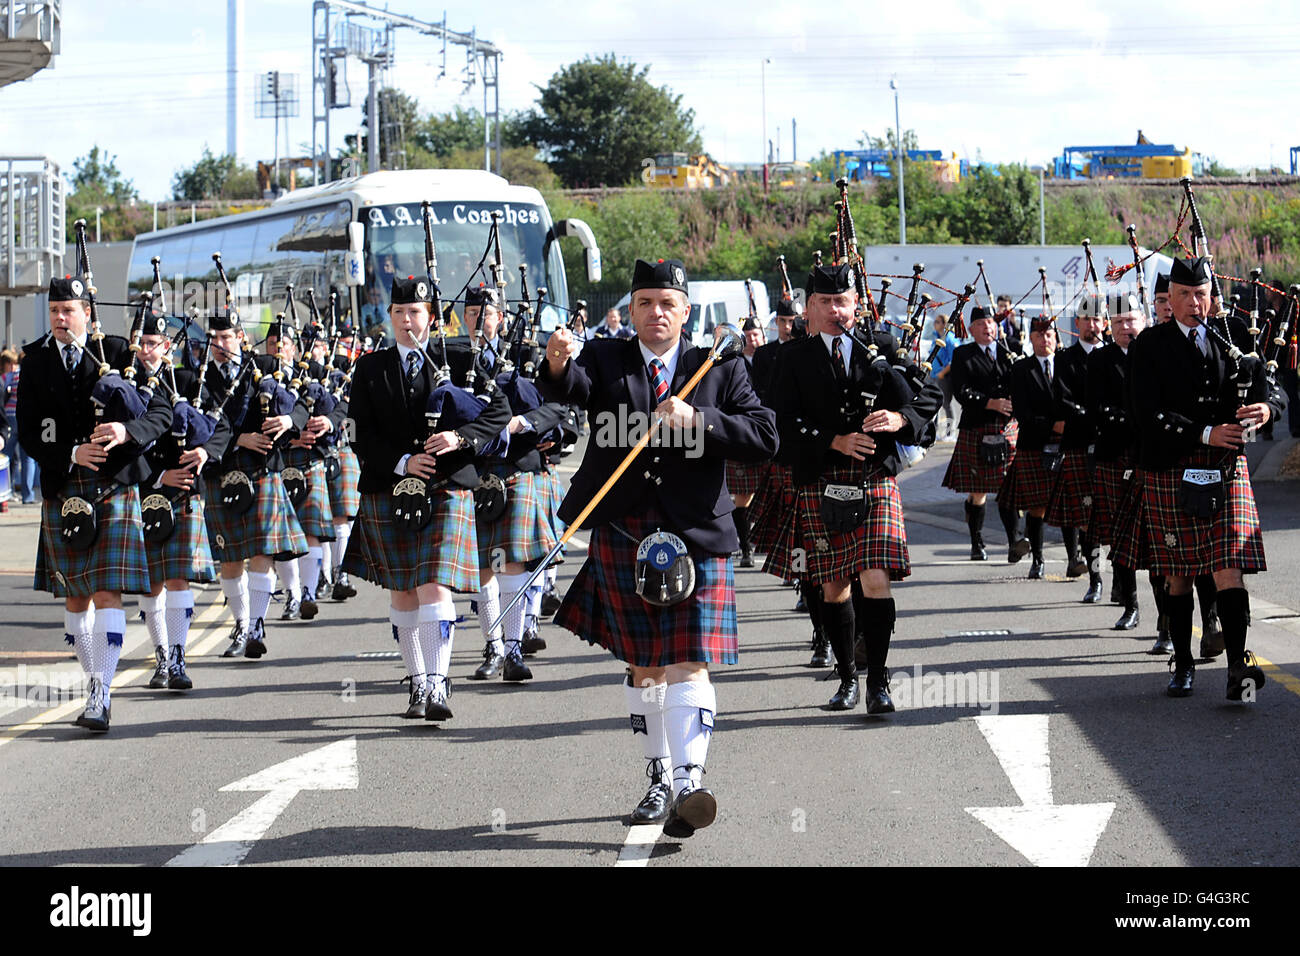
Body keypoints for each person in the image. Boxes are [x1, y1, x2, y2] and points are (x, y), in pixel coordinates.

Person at [537, 257, 777, 839]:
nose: (655, 313)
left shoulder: (717, 365)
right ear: (633, 310)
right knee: (644, 665)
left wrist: (700, 418)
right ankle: (659, 777)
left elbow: (764, 435)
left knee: (689, 657)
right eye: (645, 303)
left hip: (694, 530)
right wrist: (556, 362)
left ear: (686, 312)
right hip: (624, 527)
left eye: (667, 303)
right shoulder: (607, 358)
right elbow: (574, 390)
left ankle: (690, 783)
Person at [341, 276, 511, 720]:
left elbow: (499, 411)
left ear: (431, 317)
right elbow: (360, 434)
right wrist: (402, 462)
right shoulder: (370, 368)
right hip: (392, 486)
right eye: (398, 313)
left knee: (433, 584)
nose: (406, 321)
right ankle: (417, 684)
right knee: (402, 591)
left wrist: (459, 437)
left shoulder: (458, 358)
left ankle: (437, 686)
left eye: (414, 313)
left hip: (447, 486)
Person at [1126, 256, 1285, 700]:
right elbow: (1145, 412)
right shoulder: (1150, 346)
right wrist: (1204, 431)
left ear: (1211, 297)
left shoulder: (1232, 339)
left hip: (1224, 469)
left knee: (1228, 568)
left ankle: (1237, 666)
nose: (1194, 303)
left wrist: (1266, 408)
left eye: (1201, 294)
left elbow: (1271, 387)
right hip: (1171, 466)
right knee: (1178, 573)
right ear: (1169, 300)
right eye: (1184, 295)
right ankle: (1183, 661)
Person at [18, 276, 172, 732]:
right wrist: (68, 453)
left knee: (107, 592)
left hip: (114, 484)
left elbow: (162, 412)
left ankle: (101, 691)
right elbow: (29, 430)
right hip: (64, 487)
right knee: (75, 596)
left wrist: (128, 431)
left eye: (68, 310)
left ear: (87, 311)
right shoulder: (36, 359)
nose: (60, 319)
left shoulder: (121, 353)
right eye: (54, 311)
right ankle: (93, 679)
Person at [770, 263, 922, 713]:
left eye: (843, 302)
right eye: (825, 302)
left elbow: (924, 396)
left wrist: (900, 419)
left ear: (856, 305)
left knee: (875, 578)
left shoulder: (882, 345)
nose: (836, 310)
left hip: (875, 478)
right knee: (834, 586)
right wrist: (831, 440)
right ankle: (846, 677)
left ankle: (878, 680)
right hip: (823, 479)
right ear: (810, 309)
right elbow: (778, 423)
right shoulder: (792, 357)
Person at [461, 285, 567, 683]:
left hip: (516, 468)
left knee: (514, 564)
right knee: (485, 566)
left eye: (485, 313)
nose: (477, 319)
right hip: (473, 471)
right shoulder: (451, 357)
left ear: (500, 318)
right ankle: (492, 647)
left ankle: (513, 649)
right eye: (471, 312)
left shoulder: (525, 356)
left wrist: (520, 423)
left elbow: (558, 406)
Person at [203, 303, 311, 662]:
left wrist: (287, 422)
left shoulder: (264, 368)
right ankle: (240, 623)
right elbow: (199, 428)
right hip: (223, 473)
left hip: (262, 471)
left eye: (226, 337)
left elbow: (301, 406)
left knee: (262, 552)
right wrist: (239, 439)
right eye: (214, 338)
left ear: (240, 338)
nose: (220, 344)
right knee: (231, 559)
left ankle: (256, 626)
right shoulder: (200, 377)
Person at [134, 314, 232, 691]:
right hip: (143, 491)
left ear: (167, 347)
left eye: (154, 343)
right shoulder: (127, 384)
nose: (146, 350)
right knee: (150, 583)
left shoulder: (191, 382)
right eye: (141, 342)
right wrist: (157, 477)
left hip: (185, 492)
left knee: (176, 578)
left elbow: (220, 426)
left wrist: (205, 453)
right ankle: (160, 656)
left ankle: (177, 659)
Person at [942, 306, 1028, 562]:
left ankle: (1014, 541)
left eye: (991, 322)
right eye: (981, 324)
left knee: (1008, 488)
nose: (987, 327)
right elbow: (961, 390)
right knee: (978, 491)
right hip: (977, 426)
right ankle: (976, 542)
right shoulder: (963, 354)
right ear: (971, 329)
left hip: (1006, 427)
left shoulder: (1010, 350)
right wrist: (990, 402)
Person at [1085, 294, 1146, 631]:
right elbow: (1097, 408)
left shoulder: (1153, 353)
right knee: (1121, 533)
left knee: (1153, 533)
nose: (1125, 327)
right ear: (1110, 325)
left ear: (1142, 321)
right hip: (1113, 453)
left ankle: (1166, 622)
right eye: (1119, 322)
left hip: (1150, 453)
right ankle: (1131, 603)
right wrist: (1137, 419)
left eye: (1130, 320)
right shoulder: (1100, 360)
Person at [1044, 295, 1107, 598]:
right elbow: (1063, 401)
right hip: (1081, 445)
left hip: (1114, 445)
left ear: (1104, 323)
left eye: (1097, 320)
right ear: (1077, 324)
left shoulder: (1116, 356)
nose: (1092, 325)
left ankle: (1122, 581)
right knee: (1087, 518)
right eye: (1086, 320)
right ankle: (1096, 581)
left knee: (1119, 517)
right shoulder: (1065, 359)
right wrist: (1095, 416)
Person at [1003, 316, 1063, 579]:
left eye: (1049, 334)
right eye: (1039, 335)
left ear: (1056, 337)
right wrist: (1054, 425)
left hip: (1066, 444)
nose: (1044, 339)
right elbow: (1022, 411)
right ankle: (1038, 559)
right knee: (1037, 507)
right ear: (1031, 338)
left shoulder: (1066, 364)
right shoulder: (1021, 369)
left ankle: (1075, 558)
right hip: (1033, 444)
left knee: (1069, 506)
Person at [724, 315, 770, 568]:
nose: (753, 339)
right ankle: (745, 547)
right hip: (743, 434)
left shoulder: (773, 357)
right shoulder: (734, 362)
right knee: (742, 496)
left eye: (756, 334)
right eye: (749, 335)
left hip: (767, 435)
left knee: (771, 495)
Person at [3, 348, 39, 503]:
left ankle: (5, 492)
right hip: (27, 419)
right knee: (28, 458)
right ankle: (28, 495)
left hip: (10, 417)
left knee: (6, 456)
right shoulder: (36, 376)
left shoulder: (11, 376)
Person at [926, 313, 959, 439]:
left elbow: (954, 359)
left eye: (937, 322)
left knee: (946, 404)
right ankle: (935, 432)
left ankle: (950, 432)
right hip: (934, 375)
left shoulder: (949, 339)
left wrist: (942, 373)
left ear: (944, 324)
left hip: (943, 376)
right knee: (935, 404)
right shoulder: (935, 337)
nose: (935, 324)